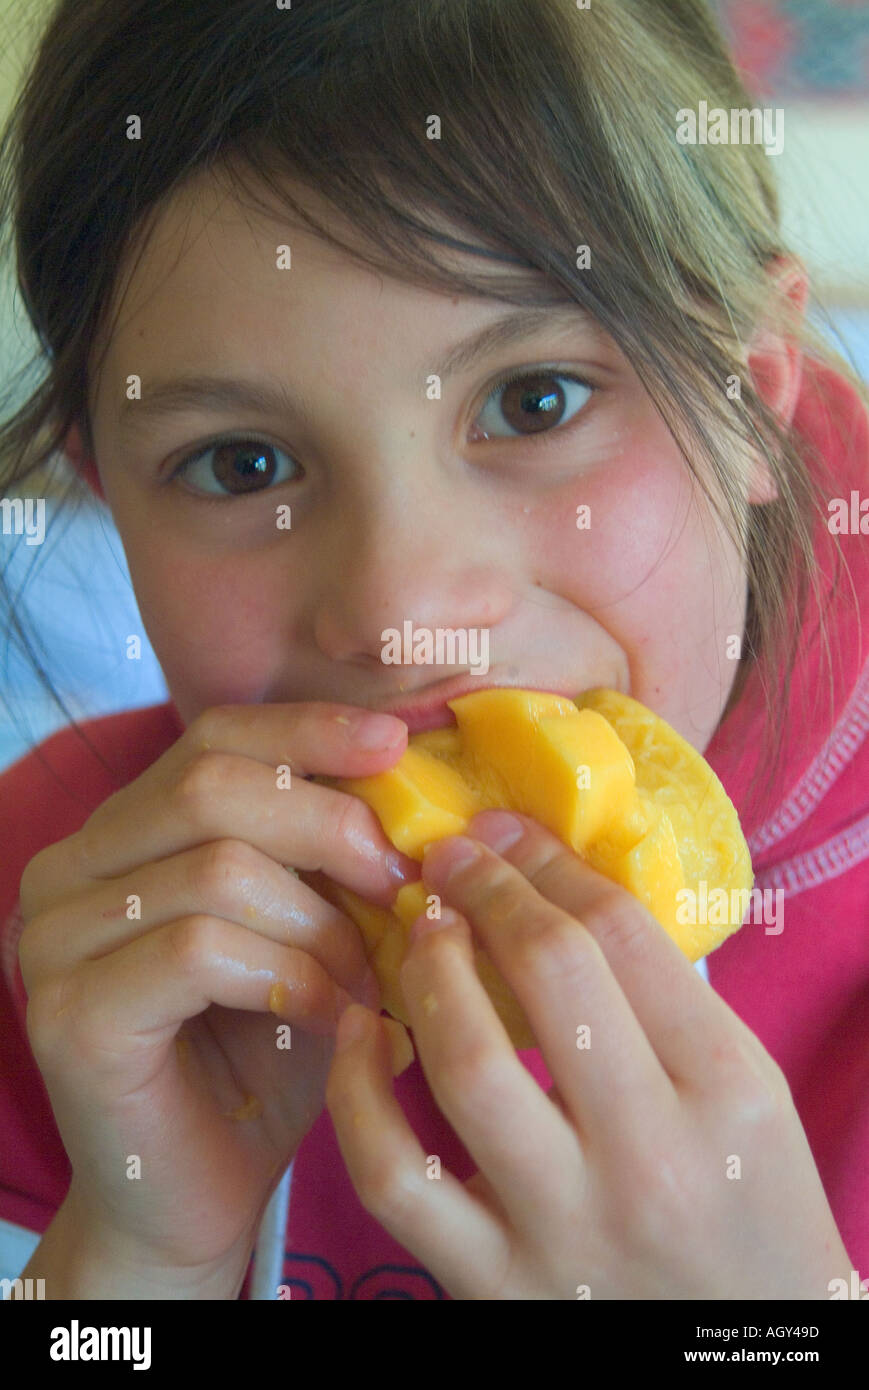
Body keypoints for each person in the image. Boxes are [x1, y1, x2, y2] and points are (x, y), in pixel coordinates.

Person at [0, 0, 866, 1300]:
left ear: (747, 382)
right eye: (244, 464)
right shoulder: (83, 916)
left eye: (534, 399)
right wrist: (137, 1260)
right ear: (106, 491)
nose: (402, 608)